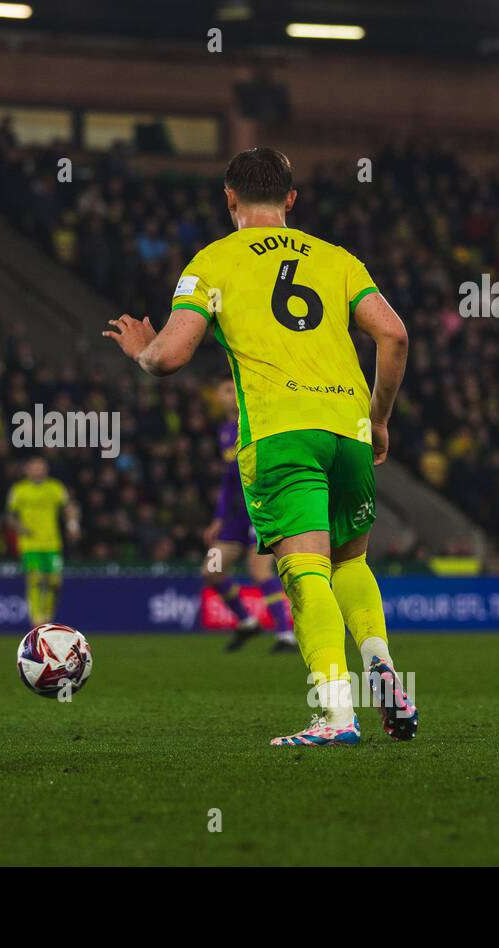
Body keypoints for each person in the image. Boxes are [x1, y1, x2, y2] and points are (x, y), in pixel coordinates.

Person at [104, 146, 416, 747]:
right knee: (351, 563)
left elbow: (169, 357)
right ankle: (383, 669)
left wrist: (141, 350)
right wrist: (378, 420)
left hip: (280, 431)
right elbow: (394, 335)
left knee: (305, 570)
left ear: (229, 198)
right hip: (347, 425)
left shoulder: (212, 262)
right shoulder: (336, 258)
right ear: (290, 199)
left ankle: (335, 715)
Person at [203, 379, 297, 652]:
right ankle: (247, 621)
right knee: (212, 569)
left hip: (261, 508)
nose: (224, 395)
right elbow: (229, 482)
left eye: (230, 389)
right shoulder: (224, 432)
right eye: (223, 390)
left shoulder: (255, 423)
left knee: (259, 569)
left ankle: (285, 635)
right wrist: (218, 519)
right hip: (235, 518)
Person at [6, 457, 79, 626]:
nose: (38, 471)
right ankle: (37, 620)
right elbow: (10, 515)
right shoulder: (19, 490)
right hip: (30, 544)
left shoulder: (55, 487)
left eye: (41, 467)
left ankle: (48, 616)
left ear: (46, 469)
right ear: (27, 470)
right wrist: (20, 528)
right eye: (34, 468)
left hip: (52, 543)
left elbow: (69, 507)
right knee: (36, 579)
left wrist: (73, 526)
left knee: (54, 582)